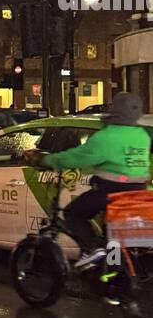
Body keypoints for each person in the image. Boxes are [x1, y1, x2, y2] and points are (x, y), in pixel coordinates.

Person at [23, 91, 152, 265]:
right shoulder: (142, 135)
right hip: (137, 193)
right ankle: (111, 263)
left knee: (73, 213)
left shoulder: (106, 137)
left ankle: (93, 250)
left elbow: (76, 158)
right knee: (112, 233)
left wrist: (45, 159)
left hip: (110, 191)